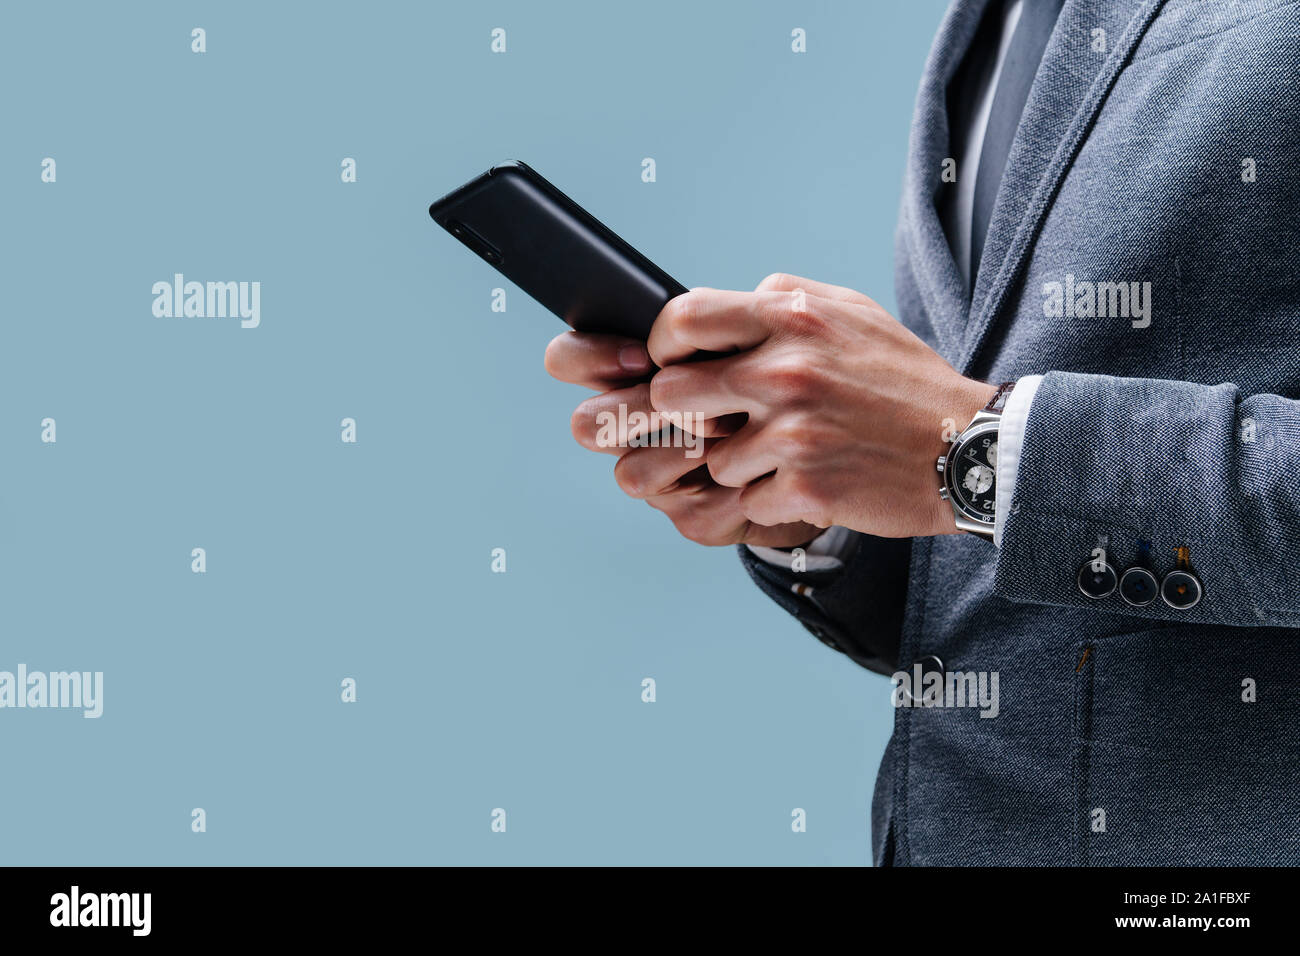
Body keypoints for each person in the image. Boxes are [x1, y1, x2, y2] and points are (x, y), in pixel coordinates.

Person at [545, 0, 1300, 865]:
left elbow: (985, 445)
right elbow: (999, 560)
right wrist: (816, 505)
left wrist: (977, 445)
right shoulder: (984, 27)